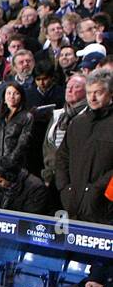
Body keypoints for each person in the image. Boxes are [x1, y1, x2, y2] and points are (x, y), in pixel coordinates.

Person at [54, 68, 113, 224]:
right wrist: (64, 188)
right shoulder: (78, 123)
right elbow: (62, 157)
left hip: (104, 208)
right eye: (89, 93)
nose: (92, 98)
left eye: (98, 92)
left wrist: (95, 191)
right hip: (72, 205)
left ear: (111, 94)